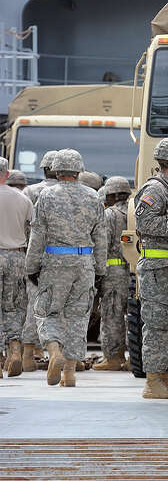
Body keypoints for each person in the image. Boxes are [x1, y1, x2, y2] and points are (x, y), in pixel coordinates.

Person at [24, 149, 106, 388]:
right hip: (84, 264)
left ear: (56, 170)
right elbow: (100, 236)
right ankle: (69, 373)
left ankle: (53, 349)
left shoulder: (47, 196)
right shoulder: (93, 197)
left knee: (46, 311)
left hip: (55, 263)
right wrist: (100, 270)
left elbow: (37, 235)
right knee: (78, 316)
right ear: (79, 171)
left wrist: (31, 266)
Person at [135, 138, 168, 400]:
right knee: (159, 324)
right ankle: (153, 380)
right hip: (158, 268)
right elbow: (145, 223)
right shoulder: (155, 189)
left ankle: (165, 376)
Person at [19, 150, 59, 371]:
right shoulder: (76, 192)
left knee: (33, 306)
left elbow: (26, 226)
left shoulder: (30, 191)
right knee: (61, 309)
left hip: (35, 254)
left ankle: (26, 355)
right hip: (64, 257)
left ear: (43, 168)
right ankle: (59, 354)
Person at [94, 176, 133, 371]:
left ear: (113, 195)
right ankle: (132, 358)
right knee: (133, 315)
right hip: (133, 272)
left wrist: (97, 273)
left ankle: (114, 357)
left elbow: (102, 245)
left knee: (112, 314)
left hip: (113, 273)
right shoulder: (135, 211)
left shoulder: (110, 214)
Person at [0, 157, 33, 377]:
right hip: (16, 257)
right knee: (14, 306)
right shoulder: (23, 199)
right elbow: (32, 231)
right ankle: (14, 349)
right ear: (6, 175)